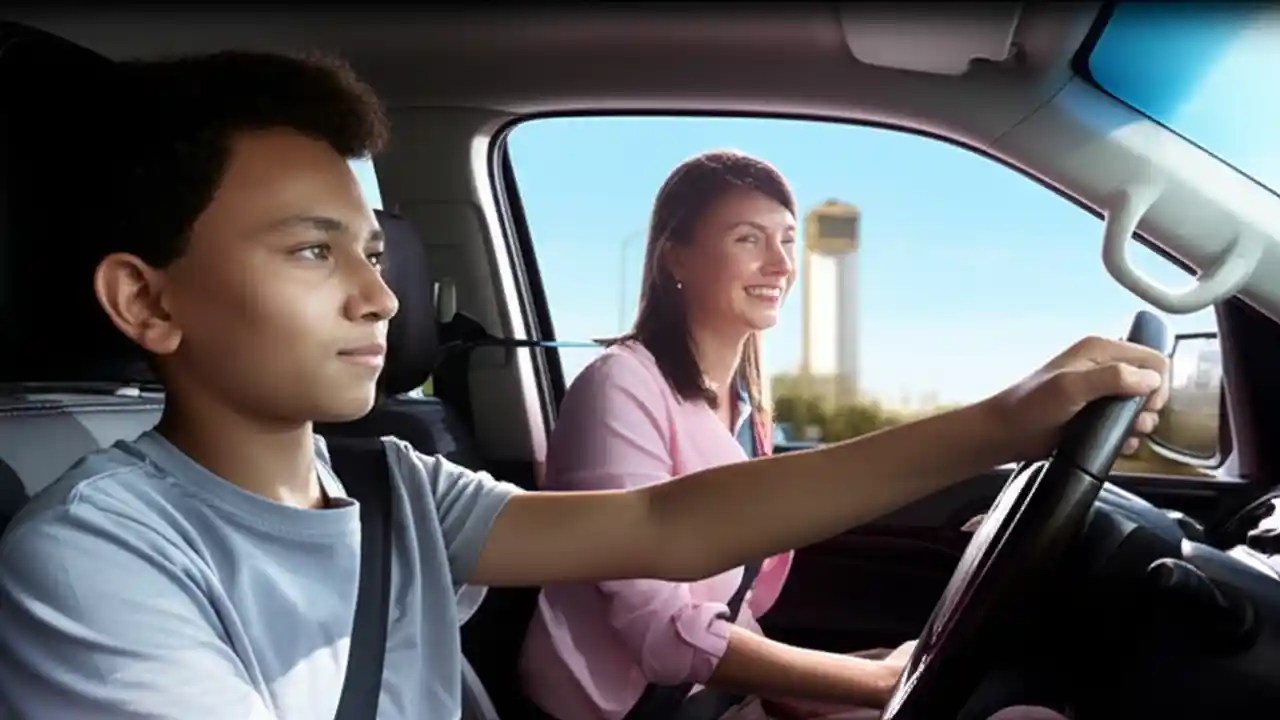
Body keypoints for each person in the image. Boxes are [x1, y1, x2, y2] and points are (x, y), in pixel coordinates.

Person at [0, 49, 1167, 720]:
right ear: (146, 303)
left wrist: (999, 426)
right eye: (312, 251)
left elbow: (664, 524)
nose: (379, 295)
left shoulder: (390, 484)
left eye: (372, 248)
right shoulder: (95, 558)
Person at [518, 149, 912, 720]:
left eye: (786, 239)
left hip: (712, 698)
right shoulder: (620, 388)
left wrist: (814, 688)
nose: (780, 264)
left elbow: (727, 606)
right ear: (676, 257)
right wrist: (869, 680)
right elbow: (662, 629)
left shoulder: (747, 407)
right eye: (749, 239)